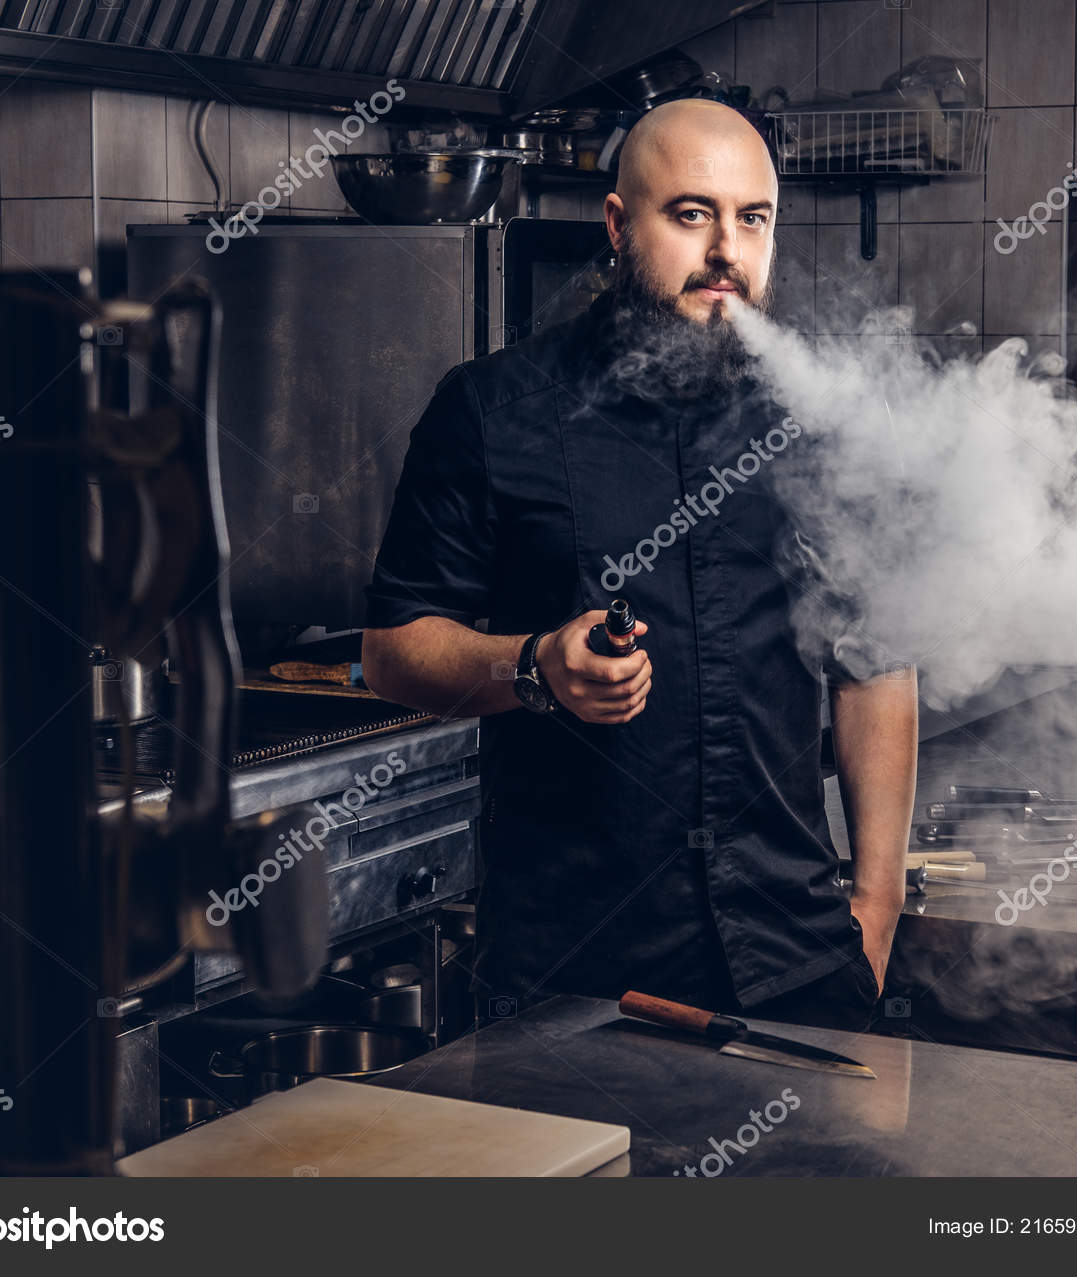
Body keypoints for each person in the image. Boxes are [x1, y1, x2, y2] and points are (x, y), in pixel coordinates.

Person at [360, 99, 916, 1033]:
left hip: (798, 960)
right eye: (692, 214)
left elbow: (878, 666)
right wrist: (534, 667)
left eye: (754, 219)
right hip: (573, 978)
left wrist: (877, 909)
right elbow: (393, 651)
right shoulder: (493, 412)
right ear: (619, 227)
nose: (727, 250)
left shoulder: (827, 425)